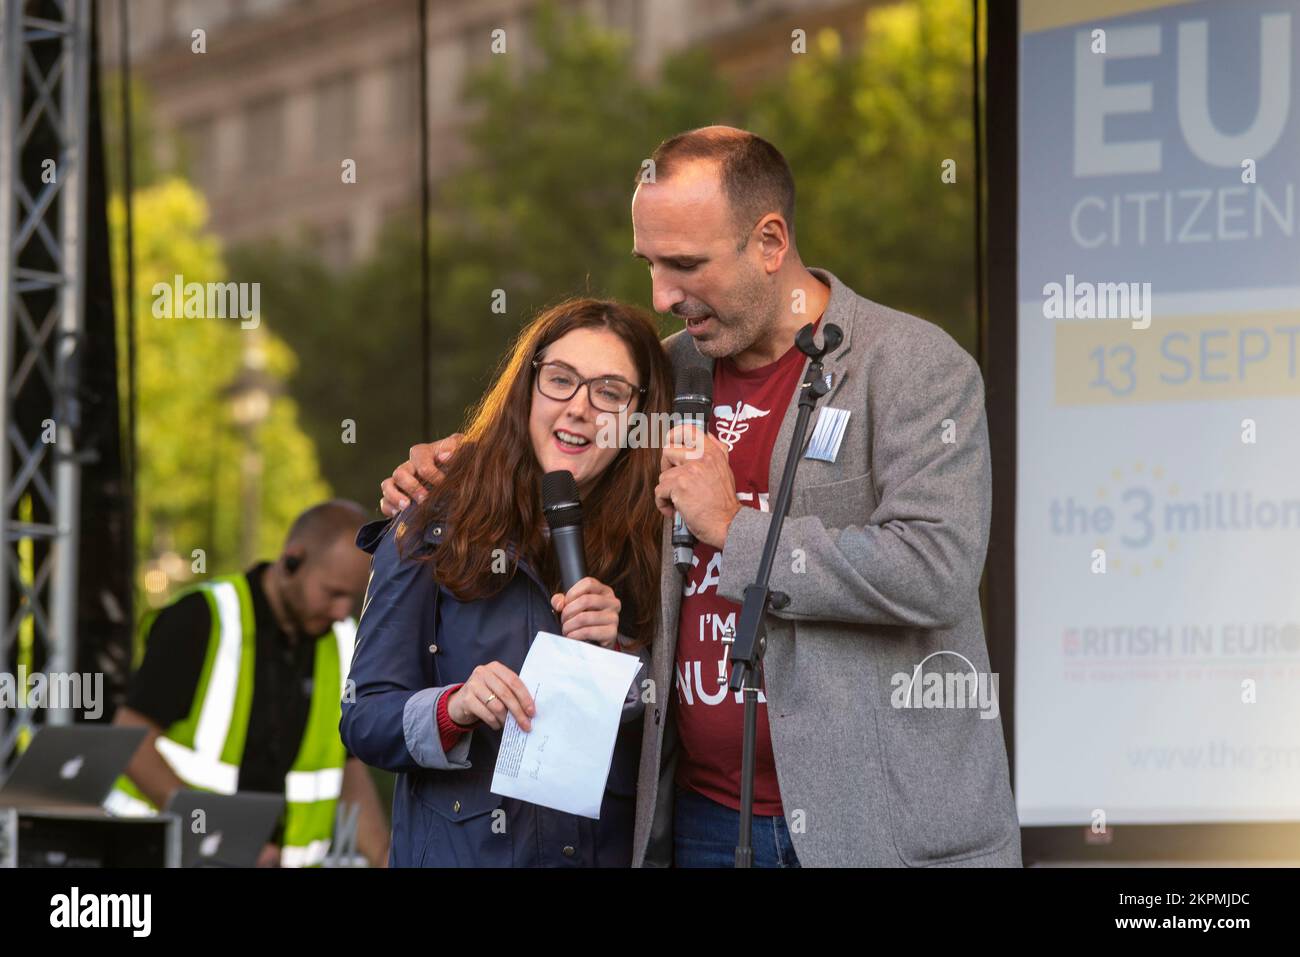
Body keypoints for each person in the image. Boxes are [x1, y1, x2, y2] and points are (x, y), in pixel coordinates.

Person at [381, 127, 1021, 868]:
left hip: (882, 829)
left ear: (771, 241)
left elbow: (936, 565)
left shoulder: (911, 365)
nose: (662, 296)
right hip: (703, 820)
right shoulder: (668, 372)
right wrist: (451, 469)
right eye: (650, 264)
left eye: (686, 265)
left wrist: (734, 528)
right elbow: (561, 455)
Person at [342, 297, 673, 867]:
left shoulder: (660, 536)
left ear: (642, 414)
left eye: (611, 393)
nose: (579, 409)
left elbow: (683, 732)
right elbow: (364, 717)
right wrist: (454, 708)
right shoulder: (432, 517)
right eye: (561, 380)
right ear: (527, 387)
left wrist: (621, 655)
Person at [106, 500, 390, 868]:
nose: (340, 611)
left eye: (351, 599)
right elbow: (131, 741)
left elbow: (347, 767)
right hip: (167, 856)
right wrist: (221, 836)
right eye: (332, 593)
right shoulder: (202, 618)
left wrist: (386, 857)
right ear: (292, 559)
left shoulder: (342, 641)